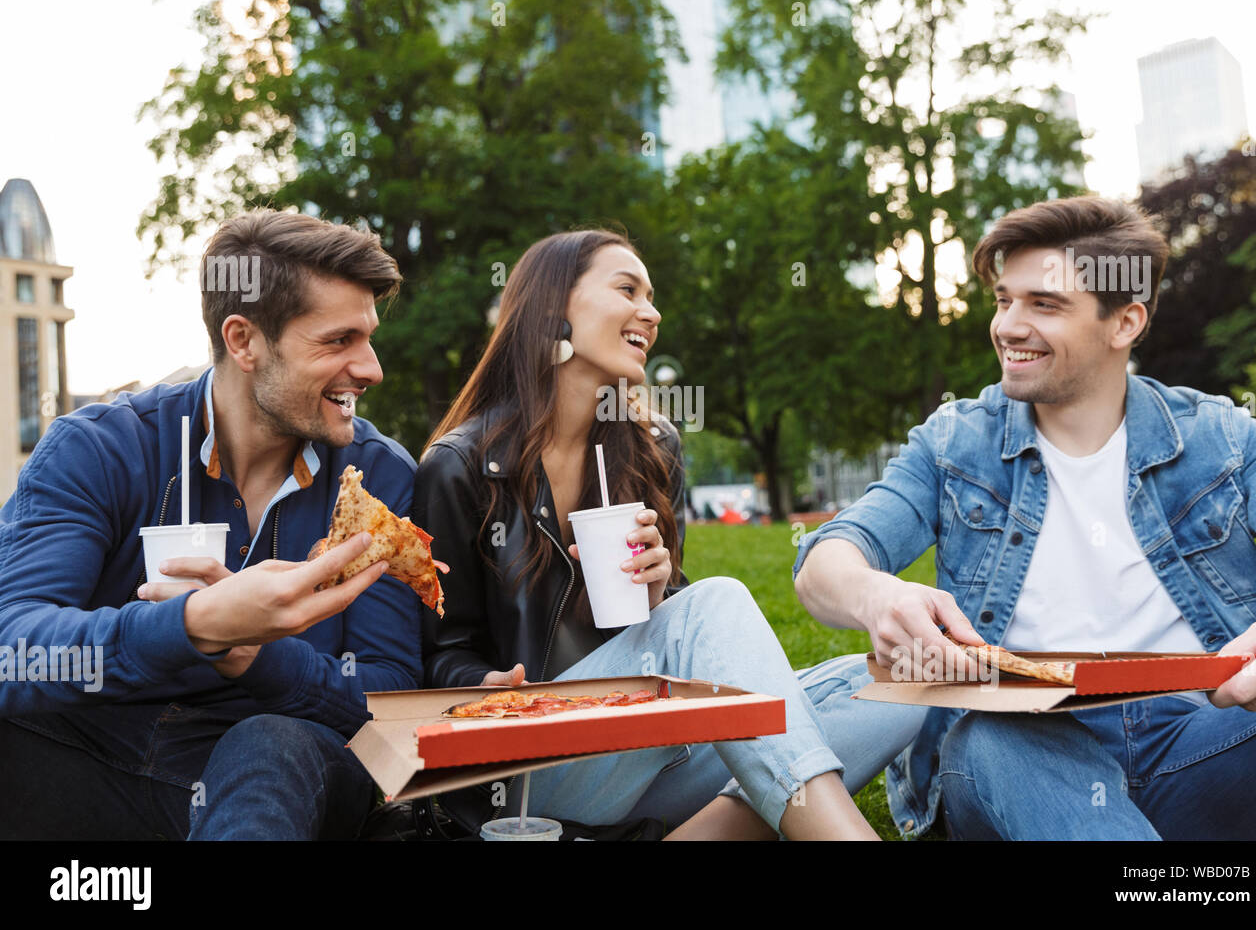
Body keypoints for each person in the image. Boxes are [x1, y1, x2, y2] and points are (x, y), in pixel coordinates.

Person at [793, 196, 1256, 840]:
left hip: (1201, 741)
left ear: (1125, 322)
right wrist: (875, 595)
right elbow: (828, 558)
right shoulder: (954, 443)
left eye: (1045, 304)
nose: (1008, 325)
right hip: (1020, 746)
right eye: (1005, 300)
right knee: (997, 738)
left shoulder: (1220, 437)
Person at [413, 229, 925, 840]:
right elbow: (440, 652)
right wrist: (484, 685)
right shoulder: (461, 465)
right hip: (526, 765)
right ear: (554, 309)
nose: (651, 313)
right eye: (627, 289)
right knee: (717, 603)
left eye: (652, 296)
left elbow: (671, 639)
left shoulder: (651, 449)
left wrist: (661, 596)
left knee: (897, 682)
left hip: (643, 743)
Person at [0, 210, 422, 840]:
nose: (371, 368)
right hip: (101, 756)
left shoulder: (377, 475)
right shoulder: (100, 449)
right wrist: (193, 626)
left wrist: (256, 653)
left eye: (368, 338)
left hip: (278, 772)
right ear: (243, 340)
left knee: (269, 747)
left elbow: (388, 700)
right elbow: (15, 651)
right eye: (338, 341)